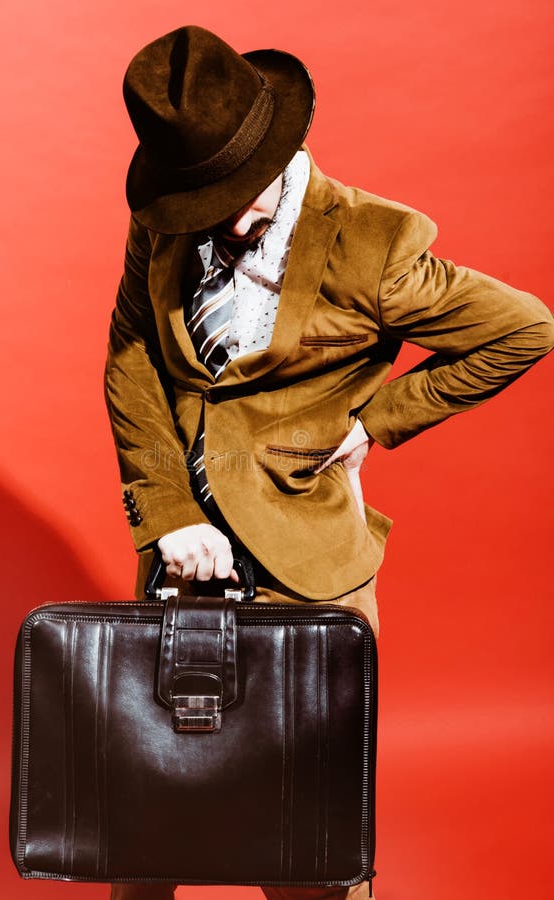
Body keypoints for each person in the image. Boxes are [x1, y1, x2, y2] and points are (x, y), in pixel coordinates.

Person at [104, 25, 554, 900]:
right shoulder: (162, 226)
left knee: (307, 838)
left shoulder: (371, 246)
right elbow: (130, 356)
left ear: (283, 148)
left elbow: (523, 327)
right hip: (182, 566)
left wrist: (379, 420)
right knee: (148, 828)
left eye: (237, 193)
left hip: (308, 570)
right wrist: (169, 516)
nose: (224, 221)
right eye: (200, 201)